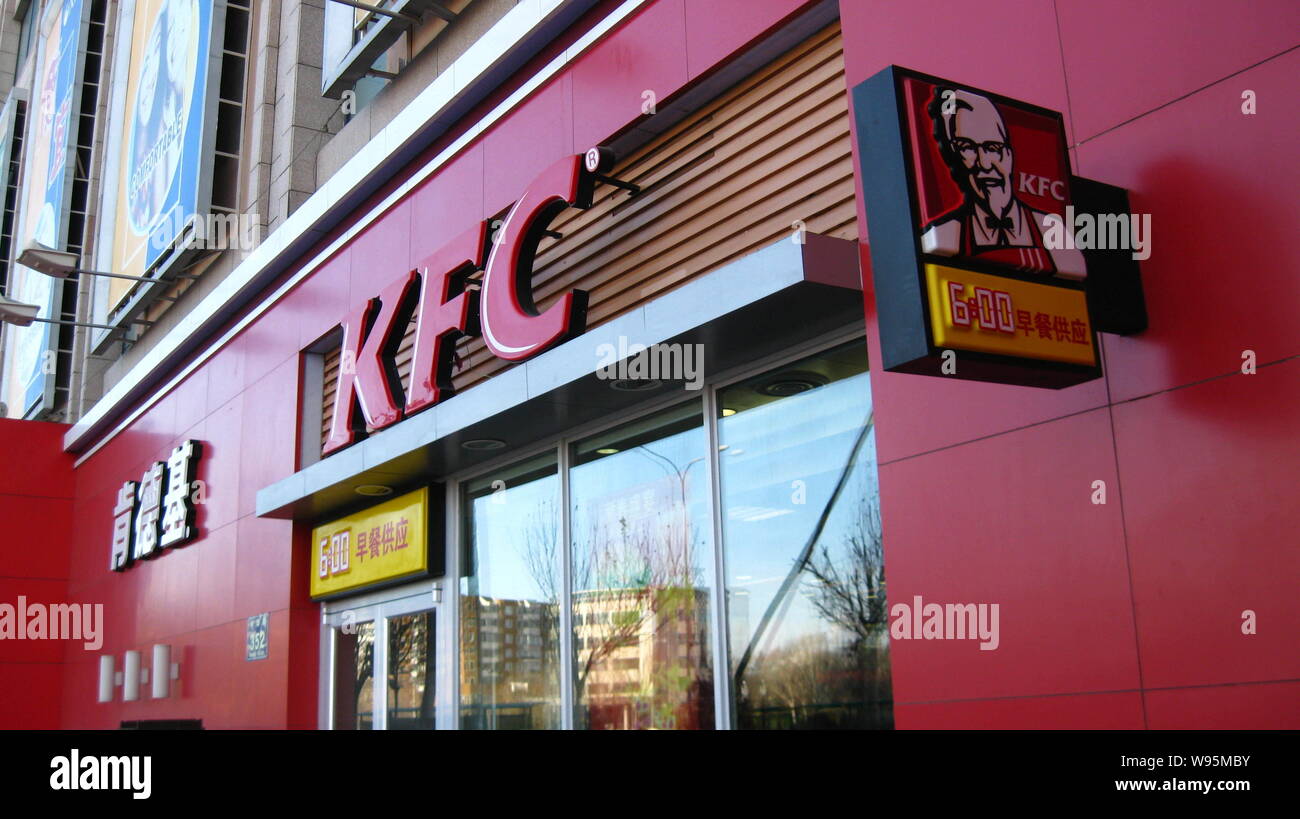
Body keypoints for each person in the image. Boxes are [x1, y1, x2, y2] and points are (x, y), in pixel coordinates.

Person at [920, 88, 1085, 279]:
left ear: (1009, 154)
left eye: (992, 147)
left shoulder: (1055, 234)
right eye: (967, 148)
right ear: (953, 157)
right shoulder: (942, 235)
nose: (985, 163)